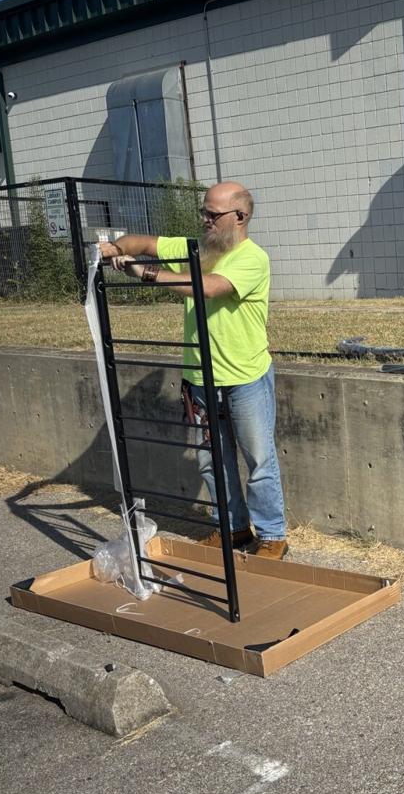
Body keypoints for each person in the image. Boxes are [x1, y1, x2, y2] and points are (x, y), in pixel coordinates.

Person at [97, 181, 289, 560]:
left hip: (244, 377)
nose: (204, 219)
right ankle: (232, 529)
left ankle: (272, 536)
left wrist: (145, 274)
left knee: (259, 460)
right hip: (200, 377)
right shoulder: (196, 249)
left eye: (212, 214)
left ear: (239, 217)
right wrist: (117, 248)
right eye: (203, 211)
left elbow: (208, 288)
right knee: (211, 461)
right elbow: (146, 242)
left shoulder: (253, 258)